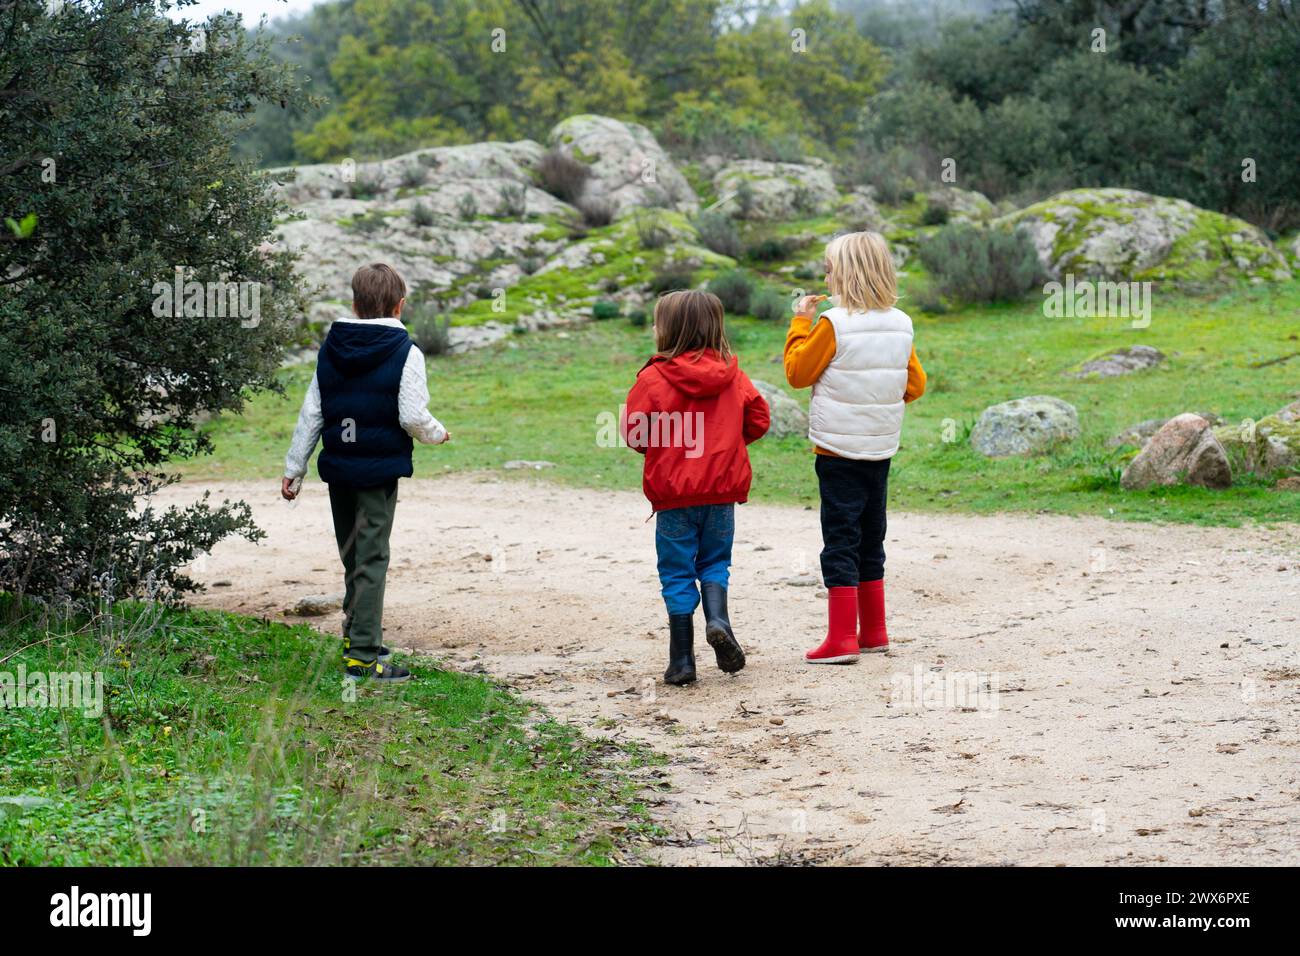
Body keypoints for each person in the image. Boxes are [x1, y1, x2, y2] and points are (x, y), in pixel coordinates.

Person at [281, 263, 451, 683]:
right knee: (372, 559)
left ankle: (356, 635)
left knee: (354, 555)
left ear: (355, 304)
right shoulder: (406, 351)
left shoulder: (331, 347)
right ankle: (363, 658)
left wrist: (294, 467)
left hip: (339, 469)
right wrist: (437, 434)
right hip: (377, 473)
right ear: (400, 305)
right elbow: (412, 415)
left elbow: (313, 412)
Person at [783, 232, 927, 664]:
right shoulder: (902, 323)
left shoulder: (832, 324)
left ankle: (841, 639)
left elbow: (797, 373)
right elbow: (915, 385)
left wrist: (799, 324)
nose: (824, 277)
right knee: (871, 537)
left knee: (840, 539)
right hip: (880, 449)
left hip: (837, 452)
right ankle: (875, 631)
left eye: (828, 269)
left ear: (843, 275)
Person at [622, 290, 770, 686]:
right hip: (721, 493)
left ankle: (682, 661)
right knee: (715, 562)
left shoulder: (652, 377)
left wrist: (665, 450)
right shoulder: (732, 374)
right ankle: (718, 620)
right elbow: (759, 419)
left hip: (674, 497)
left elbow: (635, 432)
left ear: (667, 330)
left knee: (676, 571)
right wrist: (725, 445)